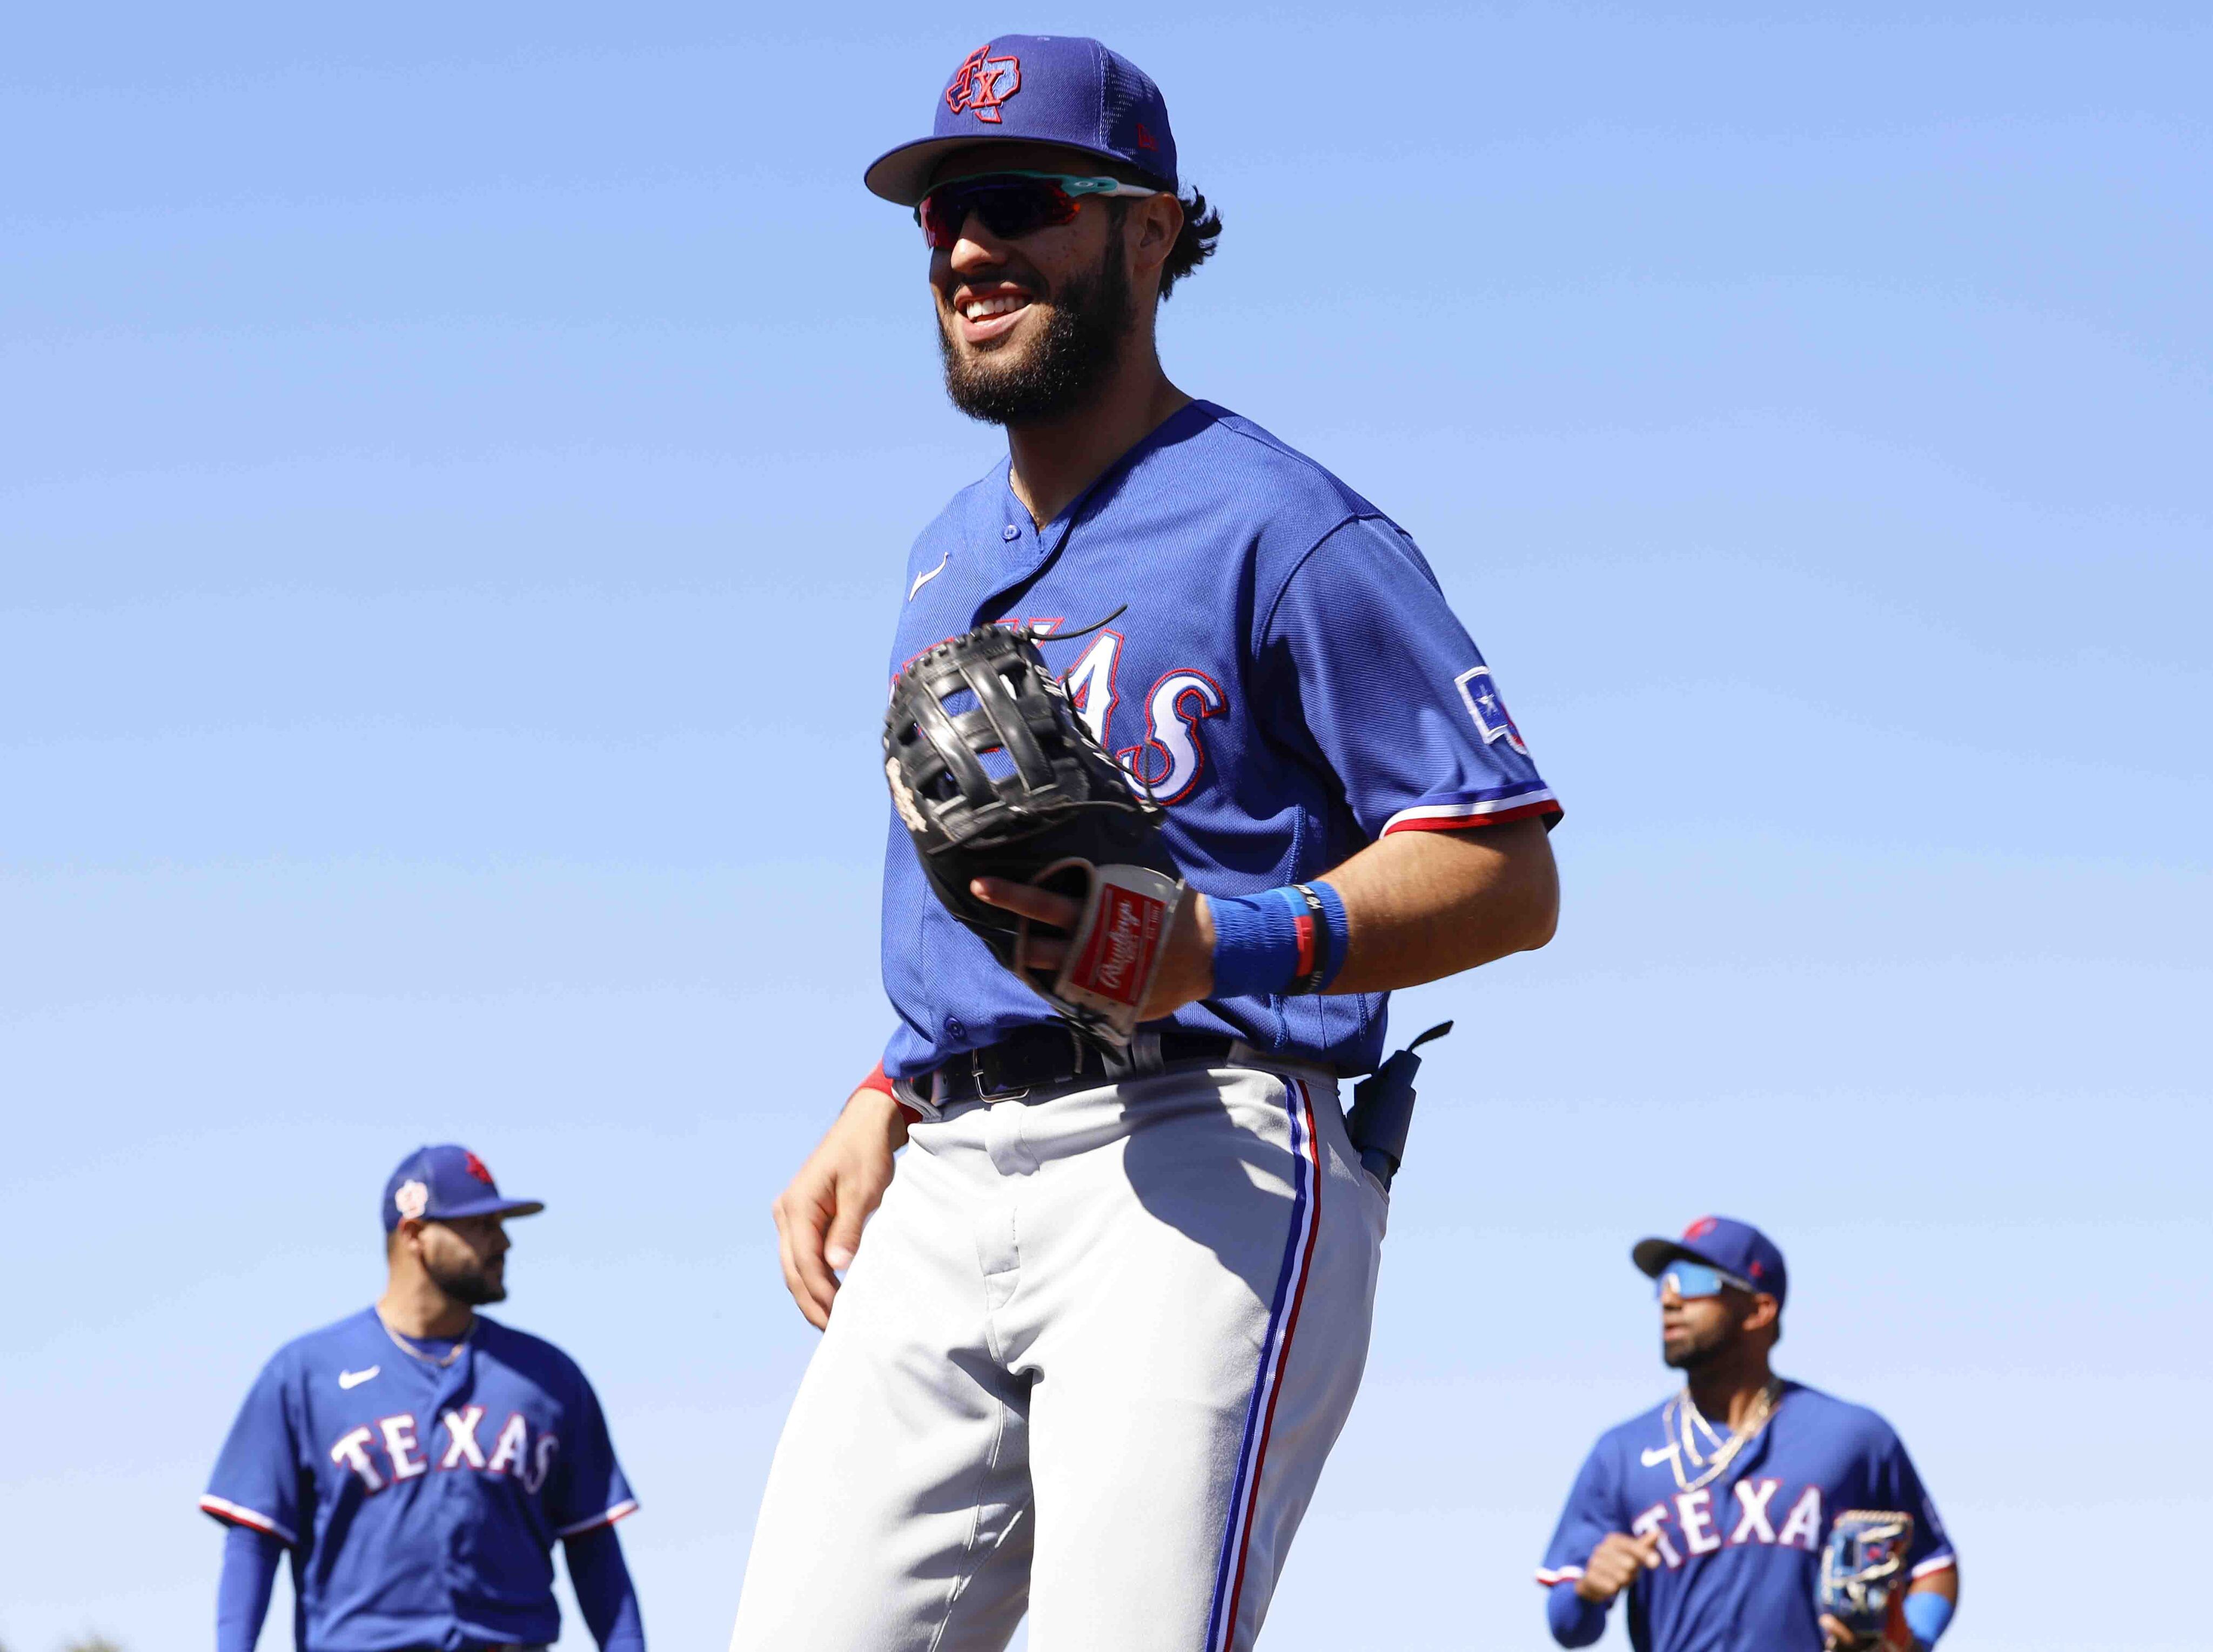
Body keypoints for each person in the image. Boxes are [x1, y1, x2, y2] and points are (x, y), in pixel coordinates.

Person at [729, 34, 1562, 1652]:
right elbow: (994, 894)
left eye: (1021, 202)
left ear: (1152, 229)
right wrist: (884, 1081)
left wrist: (1229, 939)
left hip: (1206, 1143)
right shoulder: (939, 552)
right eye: (942, 214)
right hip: (950, 1170)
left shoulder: (1285, 523)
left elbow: (1505, 870)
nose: (970, 247)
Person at [200, 1145, 645, 1652]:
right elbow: (255, 1541)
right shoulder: (305, 1374)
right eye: (480, 1226)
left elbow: (594, 1547)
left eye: (501, 1224)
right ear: (414, 1234)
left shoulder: (547, 1378)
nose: (503, 1242)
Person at [1537, 1217, 1961, 1651]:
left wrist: (1910, 1643)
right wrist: (1588, 1590)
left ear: (1760, 1310)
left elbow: (1933, 1563)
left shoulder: (1852, 1436)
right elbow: (1568, 1625)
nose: (1669, 1298)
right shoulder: (1622, 1452)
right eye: (1664, 1282)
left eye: (1691, 1281)